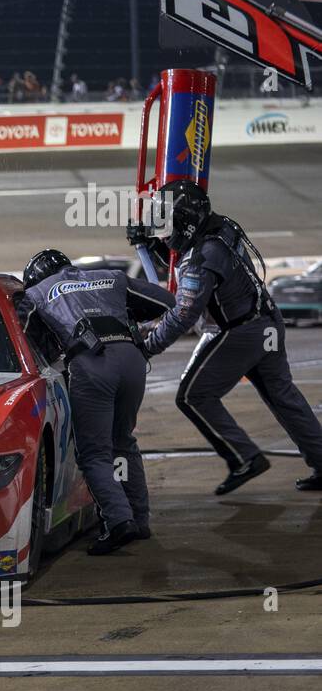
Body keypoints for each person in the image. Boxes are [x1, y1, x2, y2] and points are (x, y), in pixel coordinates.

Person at [139, 180, 322, 493]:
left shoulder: (199, 260)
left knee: (191, 395)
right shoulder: (223, 227)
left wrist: (148, 347)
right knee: (284, 398)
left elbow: (184, 314)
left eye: (168, 224)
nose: (164, 232)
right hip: (267, 320)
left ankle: (244, 457)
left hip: (241, 332)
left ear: (185, 222)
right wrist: (158, 246)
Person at [18, 249, 175, 553]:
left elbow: (28, 342)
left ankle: (118, 522)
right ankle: (140, 520)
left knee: (94, 454)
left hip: (91, 364)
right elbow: (166, 302)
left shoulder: (36, 293)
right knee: (124, 441)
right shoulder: (111, 277)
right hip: (132, 361)